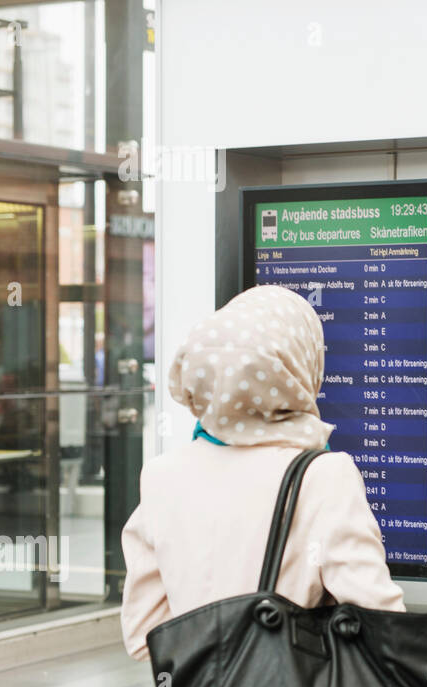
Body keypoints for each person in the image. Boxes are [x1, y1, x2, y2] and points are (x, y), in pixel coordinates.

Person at [120, 284, 404, 662]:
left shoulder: (161, 476)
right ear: (300, 367)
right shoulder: (323, 475)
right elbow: (381, 623)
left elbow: (143, 634)